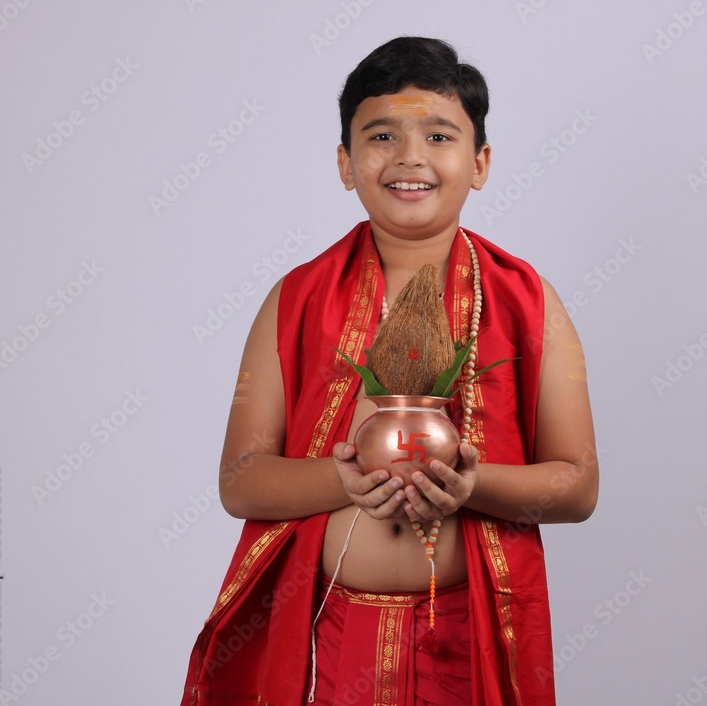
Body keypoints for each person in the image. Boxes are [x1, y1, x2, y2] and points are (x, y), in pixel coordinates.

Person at [181, 36, 598, 706]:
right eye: (381, 136)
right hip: (326, 631)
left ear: (481, 162)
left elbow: (576, 486)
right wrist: (339, 479)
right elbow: (240, 481)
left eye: (438, 135)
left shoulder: (526, 300)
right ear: (345, 163)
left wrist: (470, 485)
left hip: (474, 634)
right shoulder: (298, 300)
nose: (410, 158)